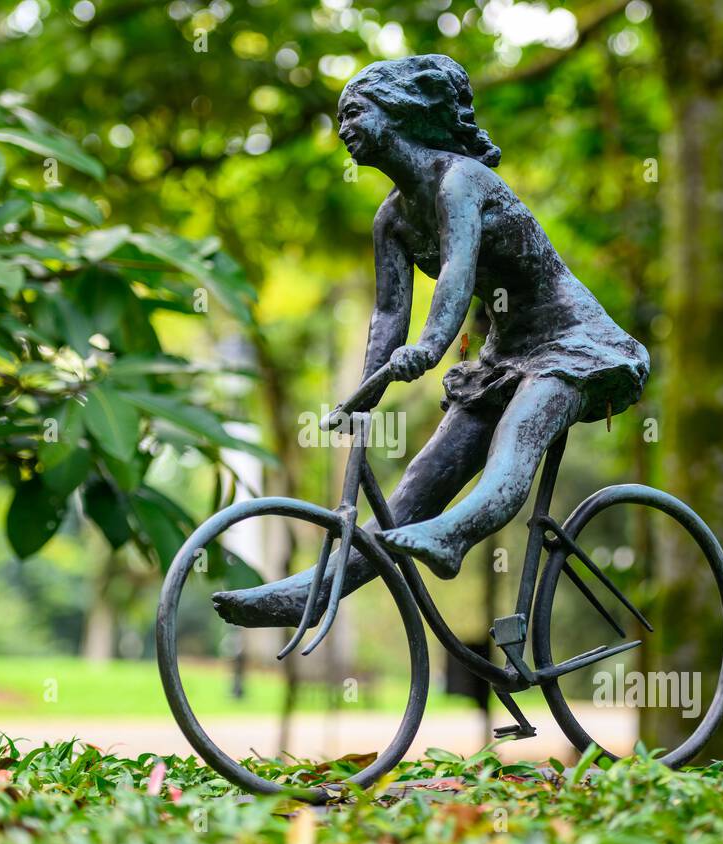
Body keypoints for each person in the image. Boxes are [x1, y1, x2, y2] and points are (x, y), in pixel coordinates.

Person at [213, 54, 648, 628]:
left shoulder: (460, 180)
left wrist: (431, 346)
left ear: (397, 112)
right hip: (503, 358)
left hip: (573, 343)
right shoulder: (391, 218)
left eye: (354, 114)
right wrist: (367, 388)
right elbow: (389, 311)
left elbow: (457, 271)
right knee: (417, 485)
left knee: (516, 438)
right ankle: (308, 596)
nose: (343, 130)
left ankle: (455, 536)